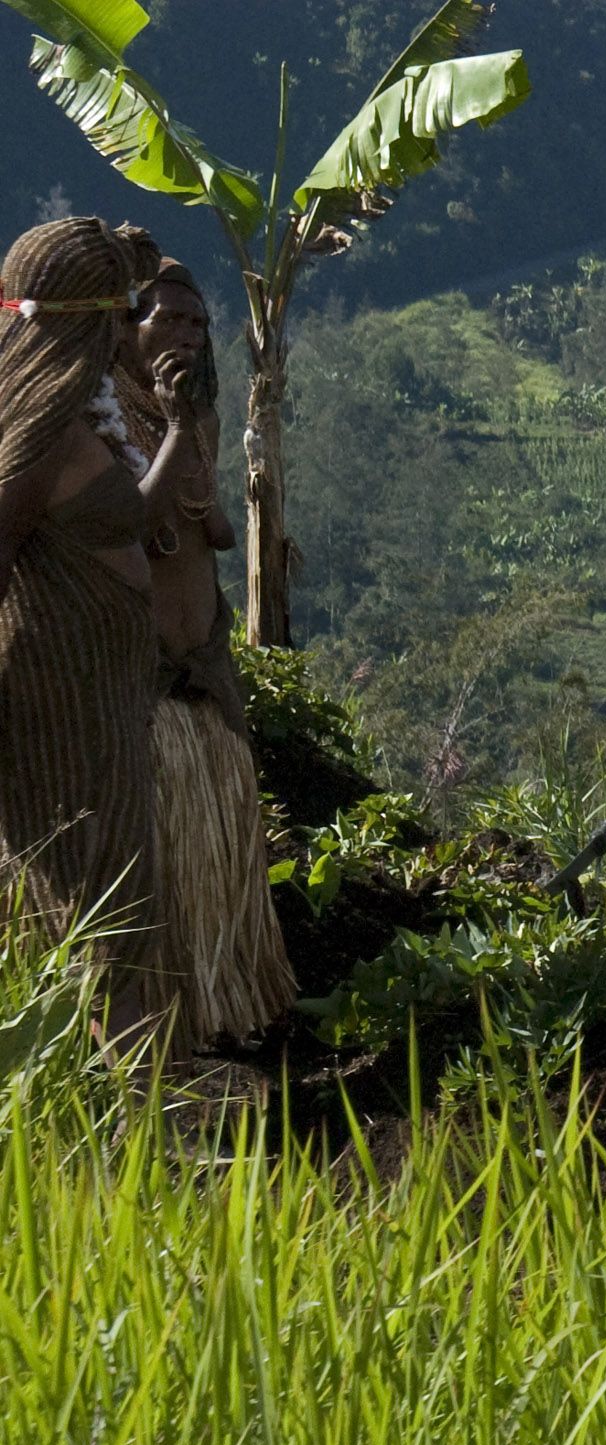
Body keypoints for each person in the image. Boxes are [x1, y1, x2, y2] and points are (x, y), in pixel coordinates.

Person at [0, 218, 202, 1050]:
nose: (130, 330)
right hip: (59, 688)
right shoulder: (39, 431)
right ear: (84, 322)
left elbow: (129, 520)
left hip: (103, 690)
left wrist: (184, 426)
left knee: (117, 883)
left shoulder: (86, 412)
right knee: (98, 891)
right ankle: (115, 1099)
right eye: (119, 314)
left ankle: (122, 1093)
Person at [119, 246, 293, 1047]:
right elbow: (133, 524)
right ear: (126, 324)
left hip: (203, 655)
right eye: (167, 317)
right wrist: (176, 435)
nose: (186, 333)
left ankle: (228, 1003)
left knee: (219, 839)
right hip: (140, 670)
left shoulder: (196, 413)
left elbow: (211, 526)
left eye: (196, 320)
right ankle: (166, 1017)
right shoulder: (100, 412)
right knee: (159, 846)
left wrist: (202, 459)